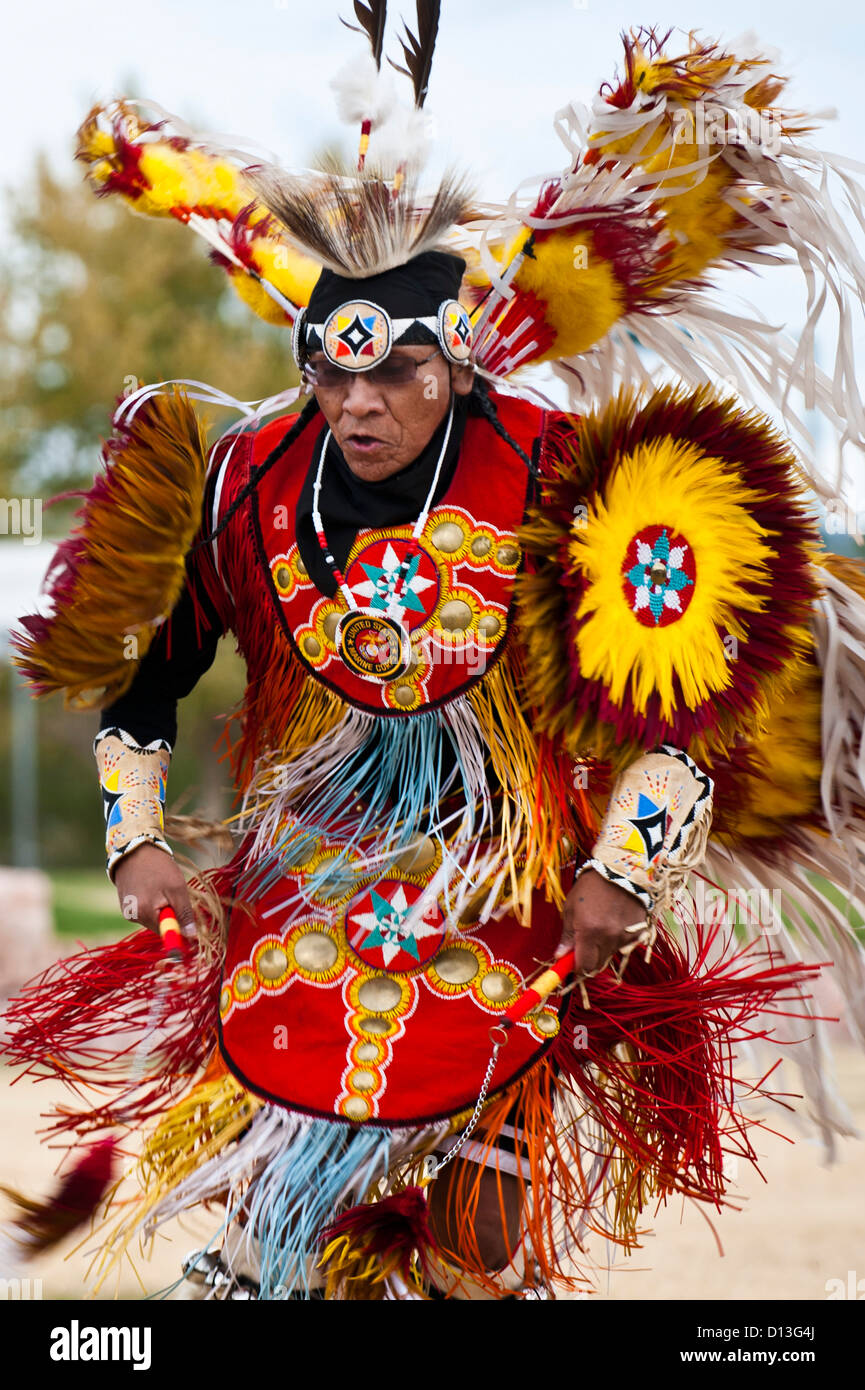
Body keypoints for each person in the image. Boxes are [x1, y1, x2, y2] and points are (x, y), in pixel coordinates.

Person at [6, 16, 865, 1300]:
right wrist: (134, 837)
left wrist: (622, 870)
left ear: (453, 368)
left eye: (397, 375)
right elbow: (150, 676)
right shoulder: (249, 475)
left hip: (504, 870)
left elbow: (676, 705)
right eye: (330, 378)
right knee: (275, 1194)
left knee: (476, 1243)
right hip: (308, 876)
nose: (358, 404)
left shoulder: (552, 472)